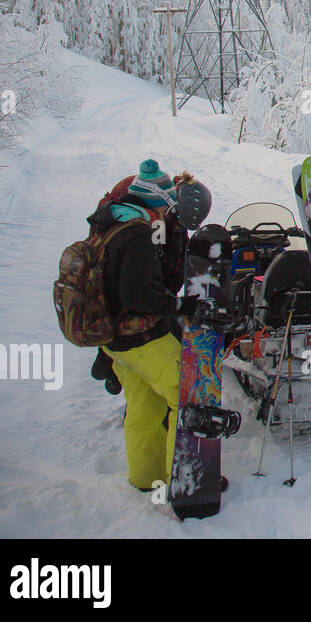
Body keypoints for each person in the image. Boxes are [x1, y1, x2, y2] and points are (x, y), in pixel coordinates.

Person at [92, 160, 211, 493]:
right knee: (186, 396)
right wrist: (177, 305)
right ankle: (187, 479)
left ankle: (148, 478)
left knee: (145, 405)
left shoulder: (116, 219)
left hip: (114, 339)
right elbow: (139, 295)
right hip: (142, 337)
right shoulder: (139, 235)